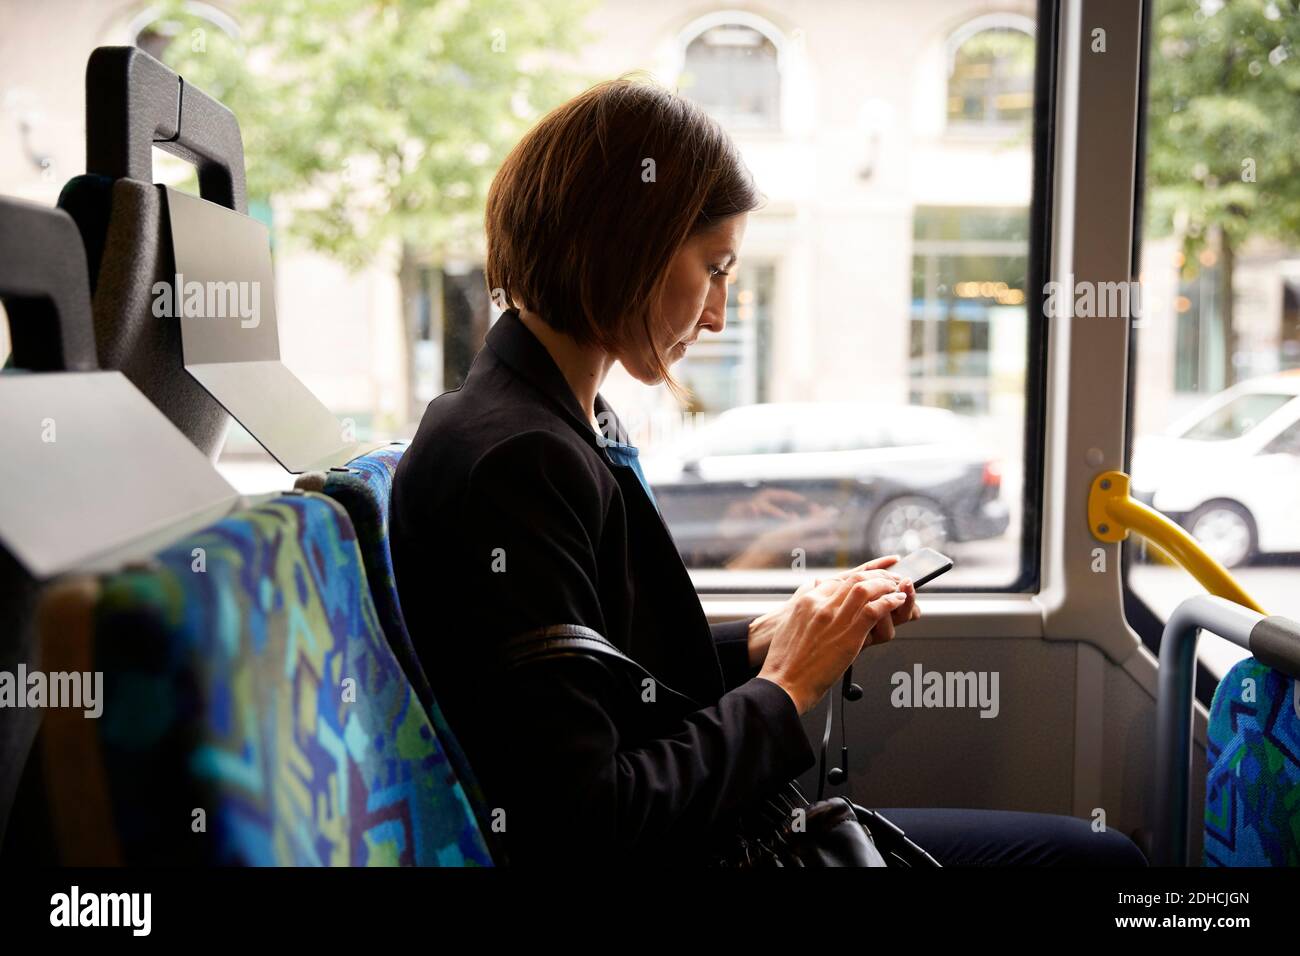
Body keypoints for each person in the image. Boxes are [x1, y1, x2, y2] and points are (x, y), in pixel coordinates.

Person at [389, 75, 1146, 868]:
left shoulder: (544, 417)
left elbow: (613, 681)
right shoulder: (518, 462)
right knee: (1096, 862)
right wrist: (786, 689)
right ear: (626, 243)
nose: (719, 312)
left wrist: (767, 639)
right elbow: (588, 821)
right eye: (715, 268)